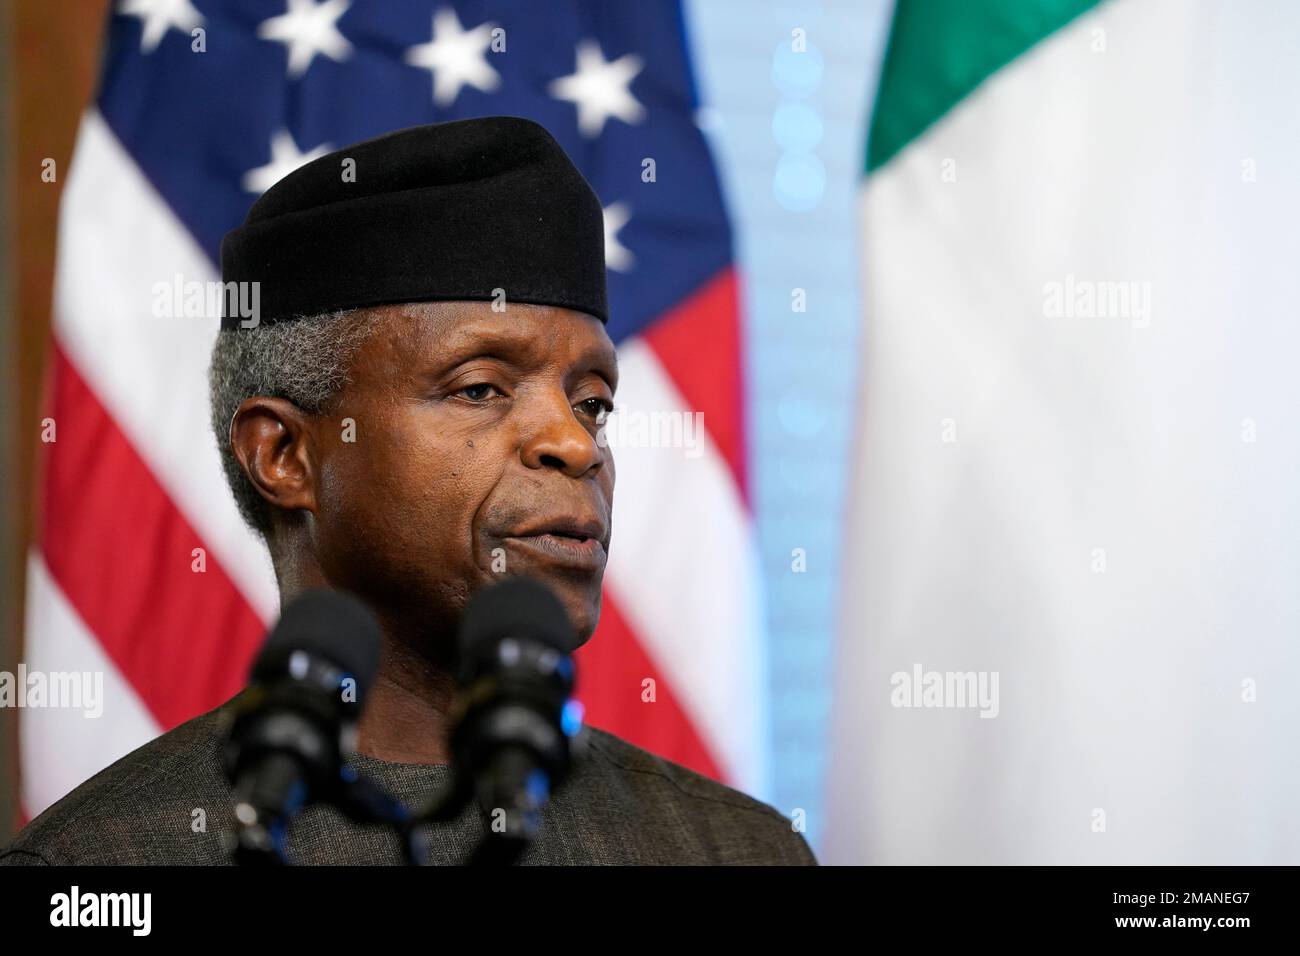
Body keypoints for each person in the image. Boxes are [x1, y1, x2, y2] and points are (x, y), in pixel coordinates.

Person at [1, 117, 816, 865]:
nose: (575, 443)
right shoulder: (103, 867)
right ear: (284, 454)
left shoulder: (736, 851)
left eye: (593, 401)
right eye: (479, 389)